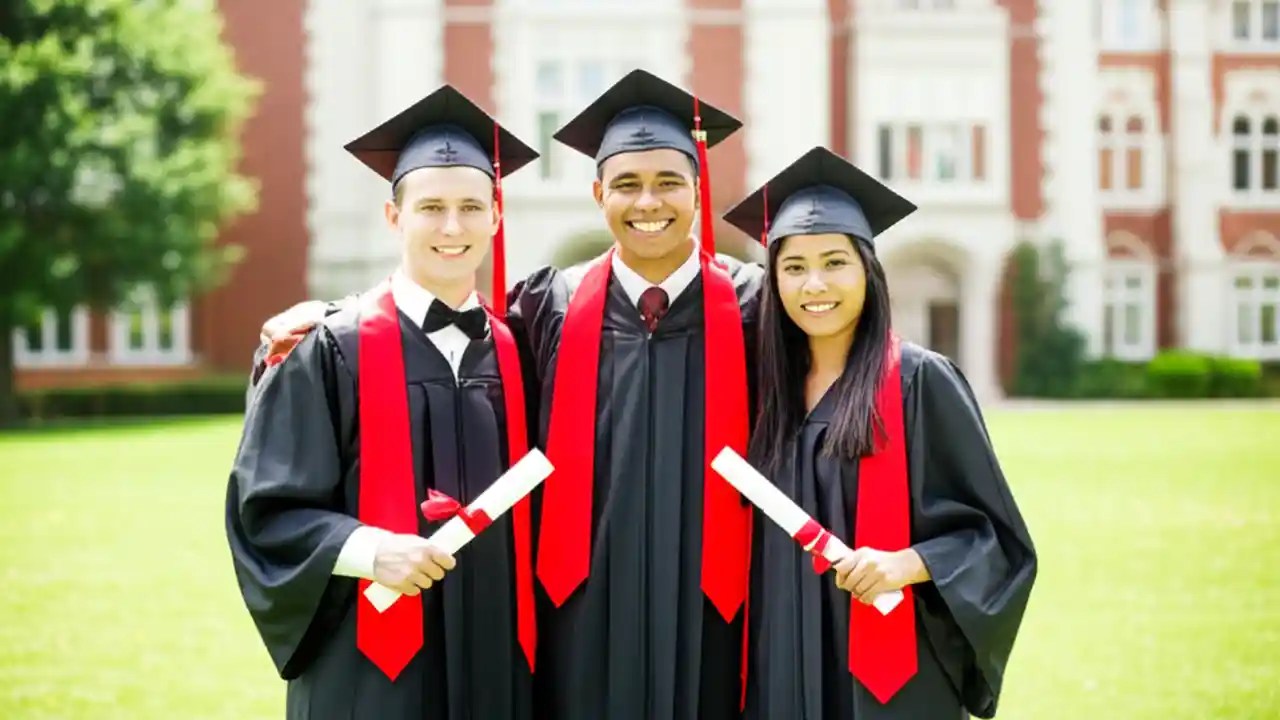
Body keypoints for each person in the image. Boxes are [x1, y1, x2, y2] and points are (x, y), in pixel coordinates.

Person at [225, 85, 542, 719]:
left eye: (470, 207)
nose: (452, 228)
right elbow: (267, 511)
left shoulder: (519, 350)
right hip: (366, 667)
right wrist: (371, 551)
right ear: (394, 217)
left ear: (496, 216)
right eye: (430, 207)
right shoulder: (326, 346)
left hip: (494, 660)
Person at [721, 146, 1037, 720]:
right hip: (779, 658)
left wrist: (907, 563)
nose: (814, 284)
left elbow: (996, 541)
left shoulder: (920, 382)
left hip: (888, 676)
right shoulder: (761, 391)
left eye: (835, 262)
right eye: (793, 267)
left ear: (868, 270)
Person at [506, 69, 763, 720]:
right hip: (584, 608)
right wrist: (330, 315)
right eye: (627, 184)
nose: (649, 202)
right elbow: (450, 337)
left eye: (668, 182)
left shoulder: (757, 305)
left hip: (721, 609)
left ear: (698, 189)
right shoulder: (548, 305)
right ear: (599, 194)